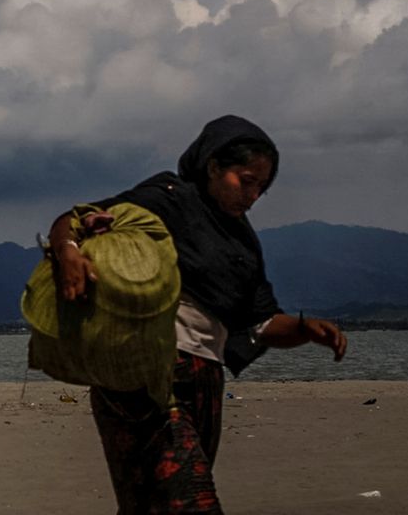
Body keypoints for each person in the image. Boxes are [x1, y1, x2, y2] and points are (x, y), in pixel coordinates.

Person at [47, 115, 348, 514]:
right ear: (212, 167)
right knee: (193, 501)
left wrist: (304, 329)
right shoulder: (168, 199)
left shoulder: (242, 243)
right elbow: (74, 219)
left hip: (206, 379)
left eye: (262, 187)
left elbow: (259, 321)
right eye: (245, 180)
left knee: (150, 504)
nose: (253, 196)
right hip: (148, 376)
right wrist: (68, 250)